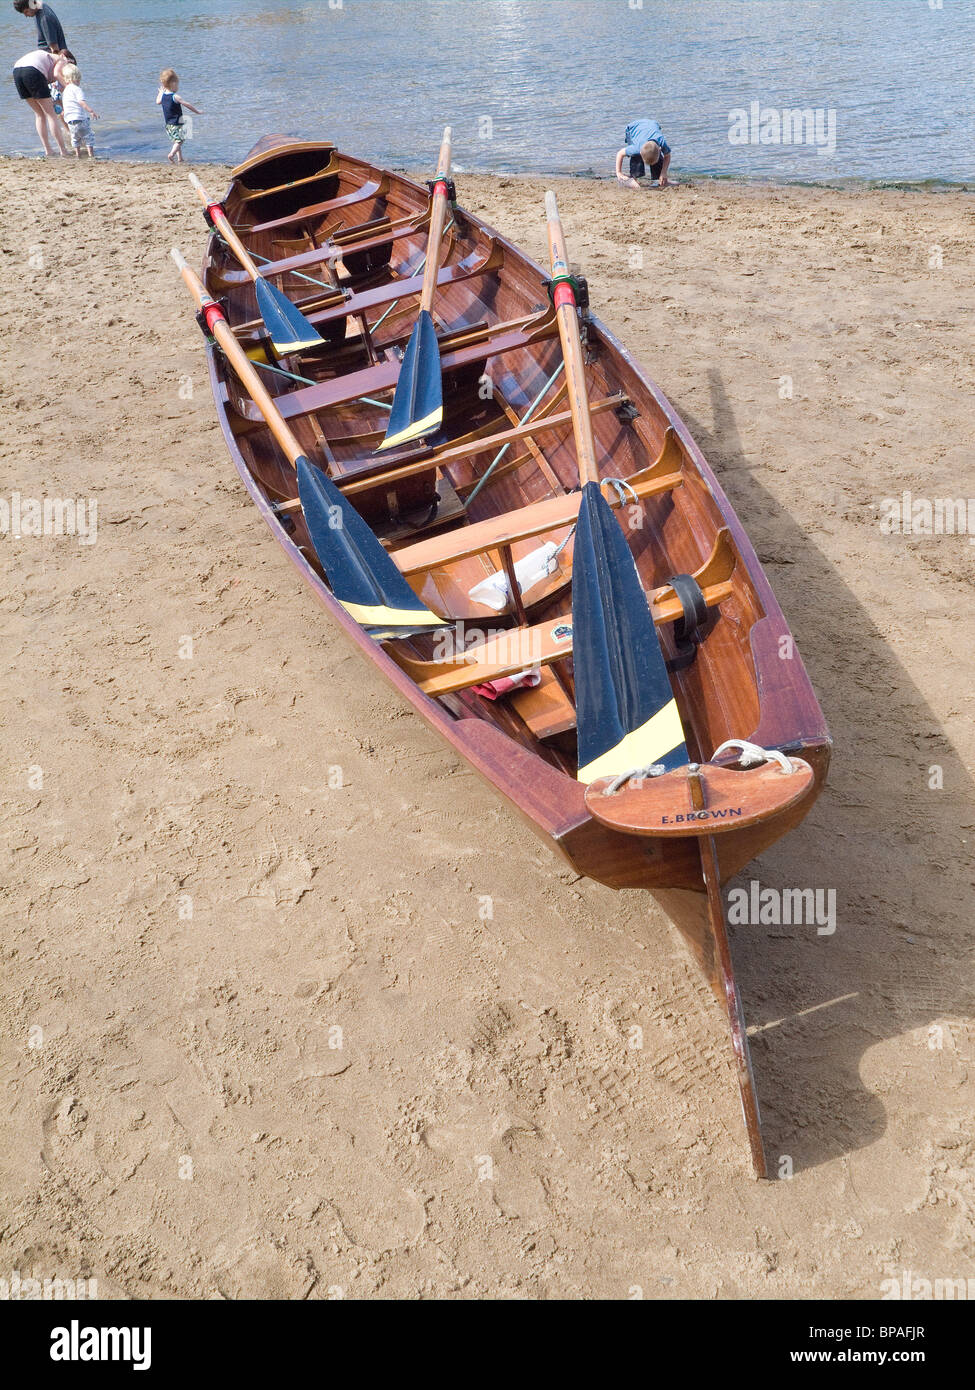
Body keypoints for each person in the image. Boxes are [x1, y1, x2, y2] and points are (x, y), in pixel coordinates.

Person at [12, 46, 67, 155]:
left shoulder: (46, 57)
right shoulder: (62, 60)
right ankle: (63, 151)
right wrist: (69, 87)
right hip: (33, 71)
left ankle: (48, 150)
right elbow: (56, 74)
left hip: (17, 71)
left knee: (39, 115)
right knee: (51, 114)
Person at [156, 69, 202, 164]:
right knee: (180, 141)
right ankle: (171, 154)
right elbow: (187, 104)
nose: (177, 87)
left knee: (176, 141)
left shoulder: (163, 96)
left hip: (168, 125)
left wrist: (160, 92)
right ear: (173, 84)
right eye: (177, 84)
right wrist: (197, 111)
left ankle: (180, 158)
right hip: (177, 124)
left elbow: (157, 102)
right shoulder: (175, 96)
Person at [615, 118, 672, 190]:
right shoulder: (636, 148)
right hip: (633, 128)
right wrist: (619, 172)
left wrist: (663, 172)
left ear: (660, 149)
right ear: (641, 152)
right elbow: (620, 154)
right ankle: (635, 177)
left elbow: (667, 155)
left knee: (655, 157)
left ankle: (658, 177)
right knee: (635, 156)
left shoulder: (661, 141)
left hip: (652, 124)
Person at [59, 61, 97, 158]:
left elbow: (66, 104)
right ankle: (91, 155)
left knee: (75, 138)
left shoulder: (66, 90)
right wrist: (91, 111)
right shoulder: (77, 89)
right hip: (80, 119)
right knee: (89, 137)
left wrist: (63, 112)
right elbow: (81, 102)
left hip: (70, 121)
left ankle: (78, 155)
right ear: (77, 78)